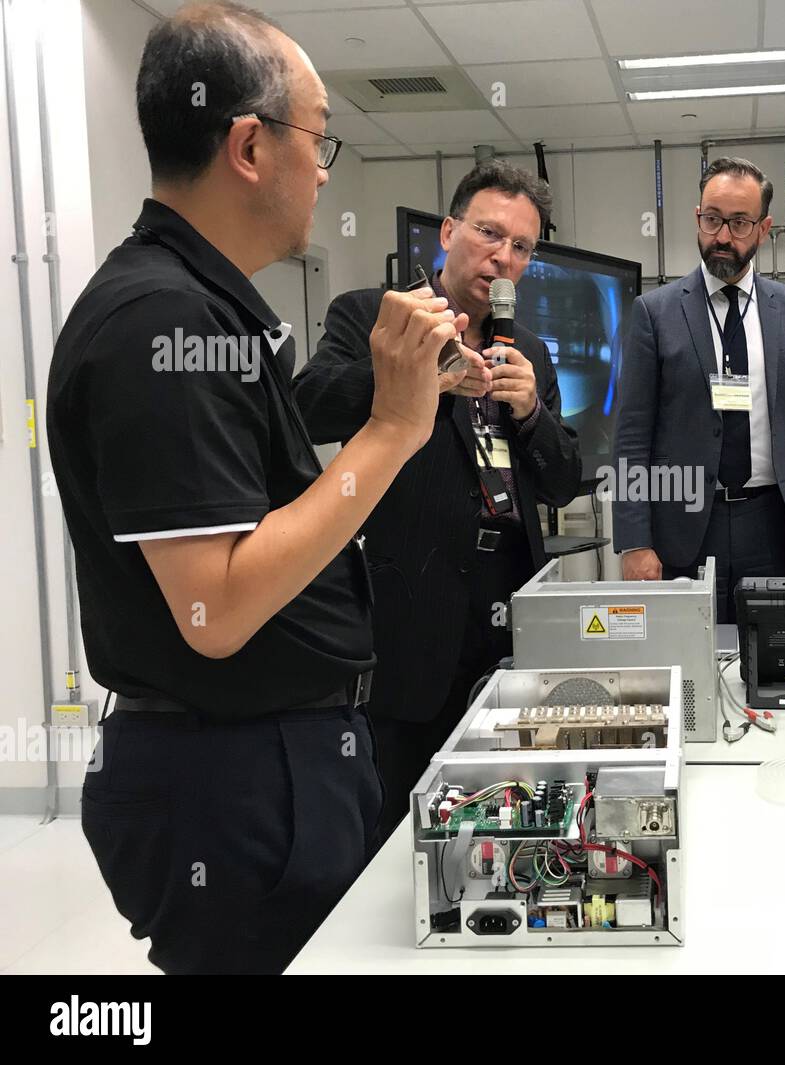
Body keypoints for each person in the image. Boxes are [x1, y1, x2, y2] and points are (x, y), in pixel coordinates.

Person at [46, 1, 478, 973]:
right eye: (319, 142)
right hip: (229, 784)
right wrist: (396, 424)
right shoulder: (158, 322)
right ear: (249, 144)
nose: (325, 174)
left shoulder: (205, 311)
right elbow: (218, 604)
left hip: (270, 761)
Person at [294, 160, 581, 842]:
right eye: (489, 232)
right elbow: (307, 407)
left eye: (522, 247)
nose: (502, 256)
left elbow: (565, 479)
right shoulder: (373, 315)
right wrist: (410, 373)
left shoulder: (530, 349)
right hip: (413, 606)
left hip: (509, 600)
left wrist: (534, 412)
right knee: (404, 815)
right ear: (449, 232)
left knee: (499, 799)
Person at [612, 157, 785, 623]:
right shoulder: (655, 313)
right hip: (683, 524)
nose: (721, 236)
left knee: (773, 659)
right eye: (712, 219)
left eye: (738, 223)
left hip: (772, 525)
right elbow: (632, 436)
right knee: (688, 662)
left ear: (764, 228)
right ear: (698, 216)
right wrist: (635, 541)